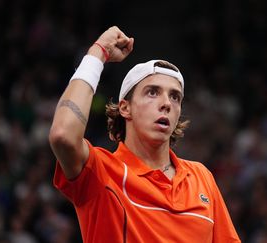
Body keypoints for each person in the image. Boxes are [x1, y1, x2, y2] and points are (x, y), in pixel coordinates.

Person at [49, 26, 241, 243]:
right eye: (152, 92)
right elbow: (63, 134)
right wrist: (97, 53)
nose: (166, 103)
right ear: (125, 108)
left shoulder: (201, 178)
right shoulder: (101, 172)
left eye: (175, 97)